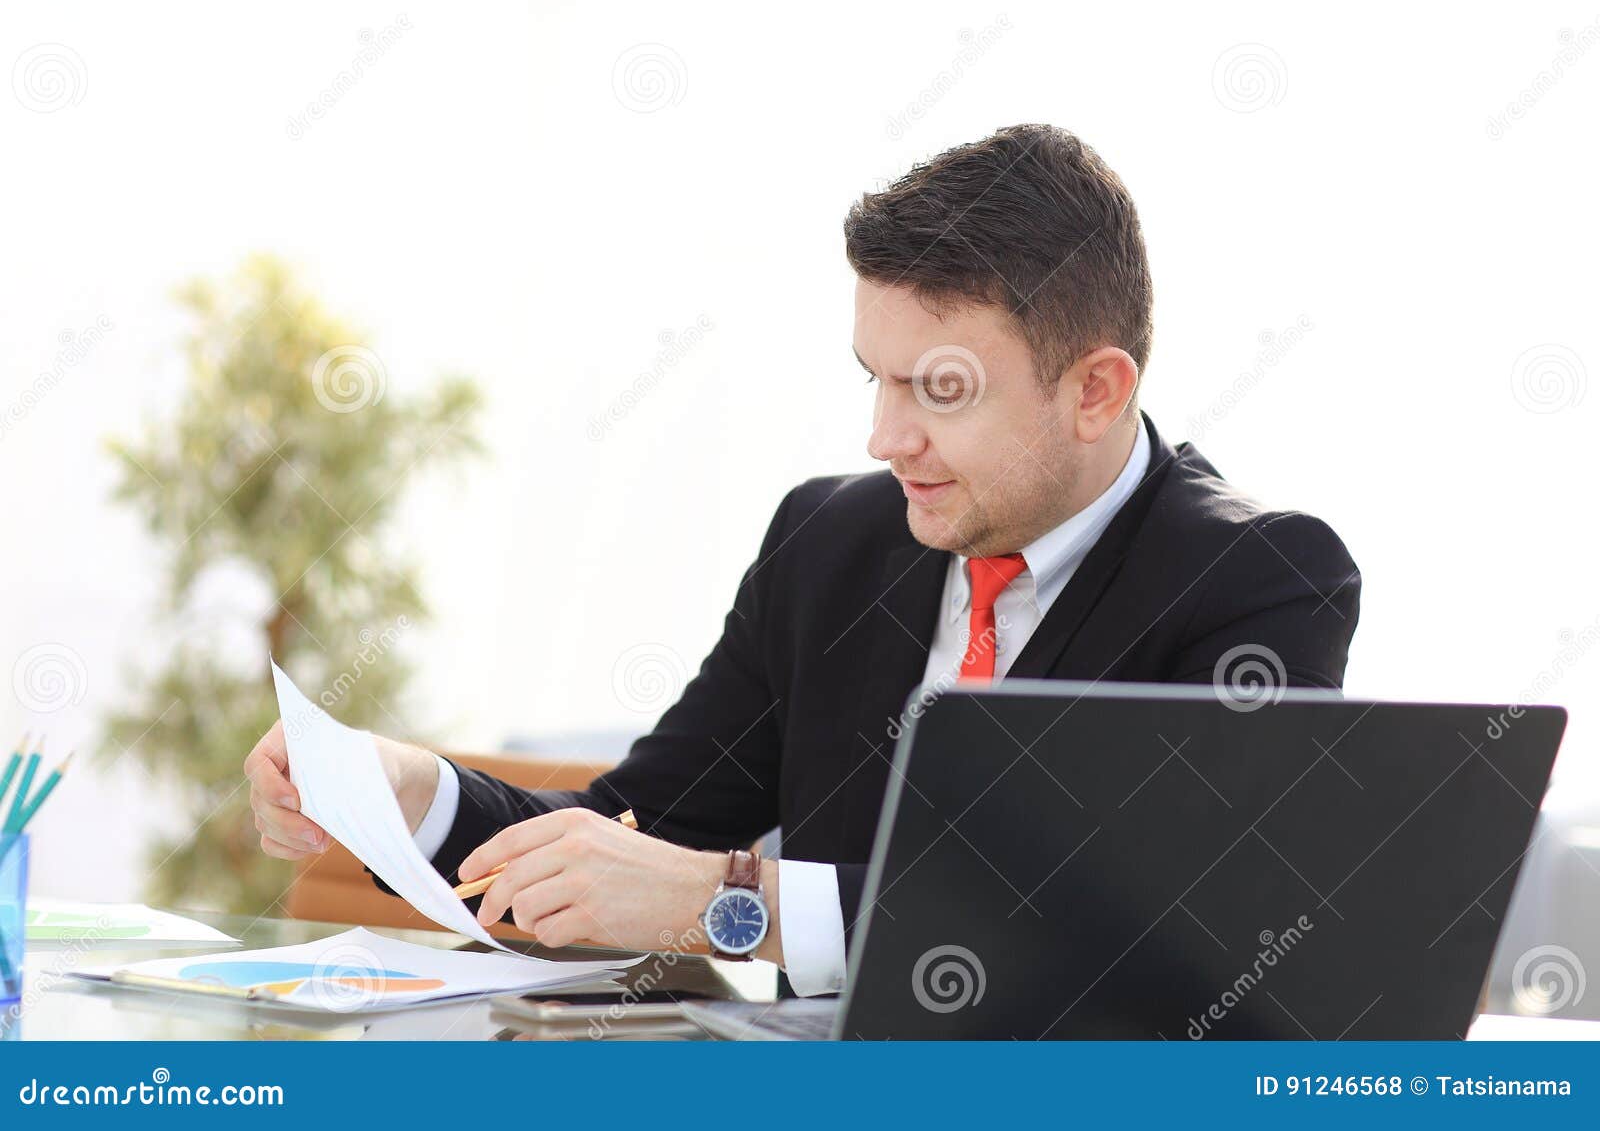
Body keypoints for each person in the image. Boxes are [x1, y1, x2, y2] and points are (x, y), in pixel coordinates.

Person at [245, 124, 1361, 997]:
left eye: (941, 390)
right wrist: (405, 790)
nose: (885, 437)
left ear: (1095, 390)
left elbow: (1153, 936)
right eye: (875, 377)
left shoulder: (1257, 579)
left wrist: (733, 902)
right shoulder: (833, 542)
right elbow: (637, 831)